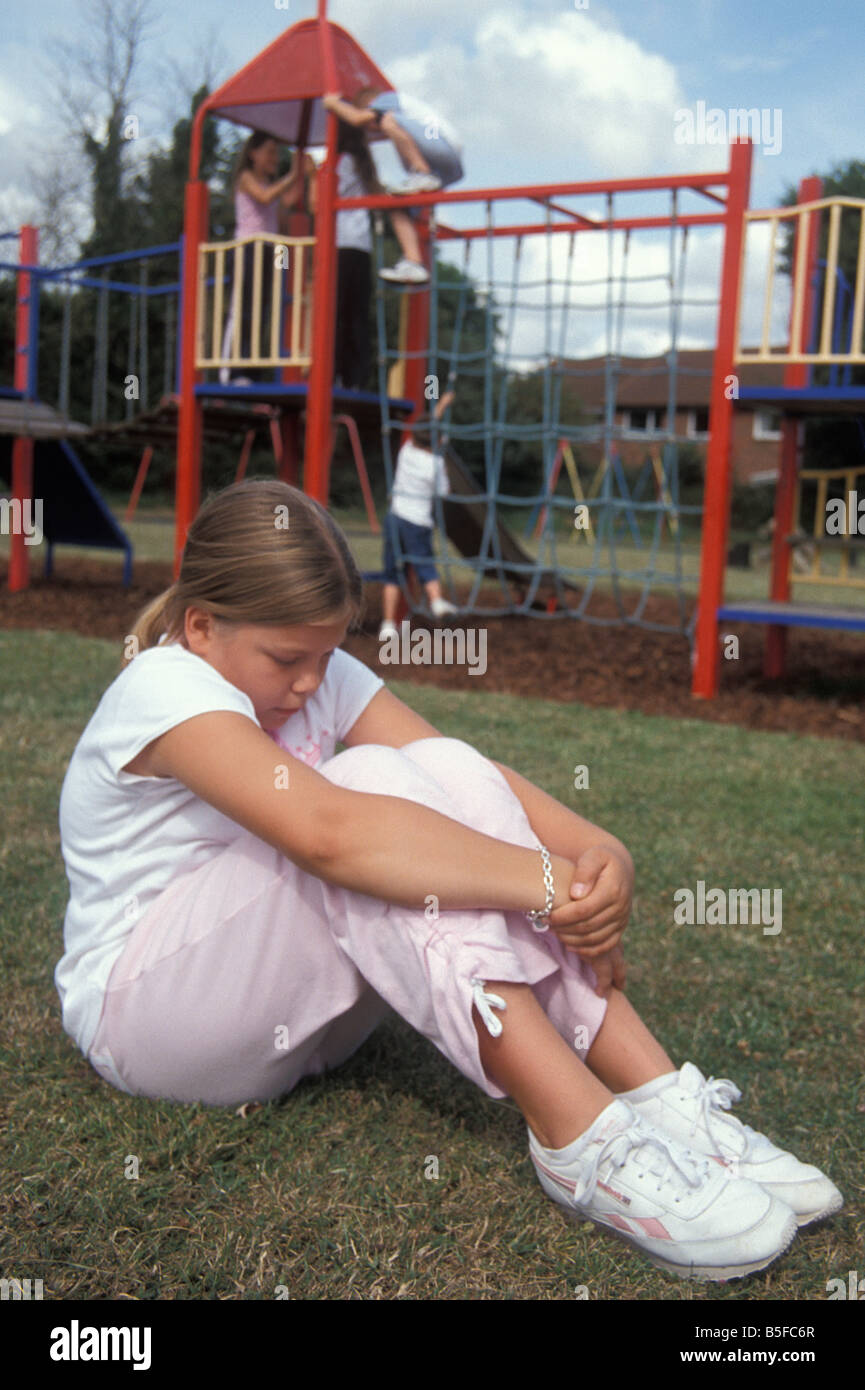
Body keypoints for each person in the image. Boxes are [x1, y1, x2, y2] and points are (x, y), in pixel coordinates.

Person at [55, 478, 842, 1283]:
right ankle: (581, 1141)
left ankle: (659, 1098)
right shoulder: (164, 686)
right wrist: (544, 881)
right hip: (153, 1021)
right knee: (363, 794)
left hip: (293, 1016)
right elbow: (329, 835)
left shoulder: (315, 675)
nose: (307, 683)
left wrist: (598, 851)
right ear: (200, 626)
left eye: (325, 656)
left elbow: (465, 774)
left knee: (437, 768)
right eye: (286, 659)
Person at [323, 89, 464, 285]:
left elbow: (356, 119)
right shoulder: (405, 136)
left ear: (371, 104)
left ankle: (422, 173)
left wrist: (332, 104)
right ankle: (413, 262)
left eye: (369, 121)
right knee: (397, 206)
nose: (371, 128)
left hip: (438, 140)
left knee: (387, 120)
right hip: (445, 167)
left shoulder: (388, 101)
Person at [219, 131, 305, 385]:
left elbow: (286, 204)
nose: (274, 158)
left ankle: (251, 369)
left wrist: (300, 173)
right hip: (246, 249)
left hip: (267, 251)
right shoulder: (246, 178)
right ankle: (232, 369)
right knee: (242, 308)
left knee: (261, 310)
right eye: (269, 152)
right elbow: (264, 197)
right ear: (253, 154)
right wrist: (292, 175)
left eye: (276, 153)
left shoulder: (270, 185)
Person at [379, 390, 460, 640]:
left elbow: (426, 428)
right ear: (435, 441)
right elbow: (443, 492)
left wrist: (441, 405)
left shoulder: (406, 451)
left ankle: (388, 625)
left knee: (393, 574)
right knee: (425, 565)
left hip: (395, 518)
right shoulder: (434, 465)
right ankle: (436, 602)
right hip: (417, 522)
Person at [309, 118, 381, 391]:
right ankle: (357, 378)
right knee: (357, 316)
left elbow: (317, 203)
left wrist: (312, 175)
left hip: (339, 245)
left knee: (334, 313)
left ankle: (334, 374)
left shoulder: (337, 163)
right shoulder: (365, 164)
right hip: (362, 246)